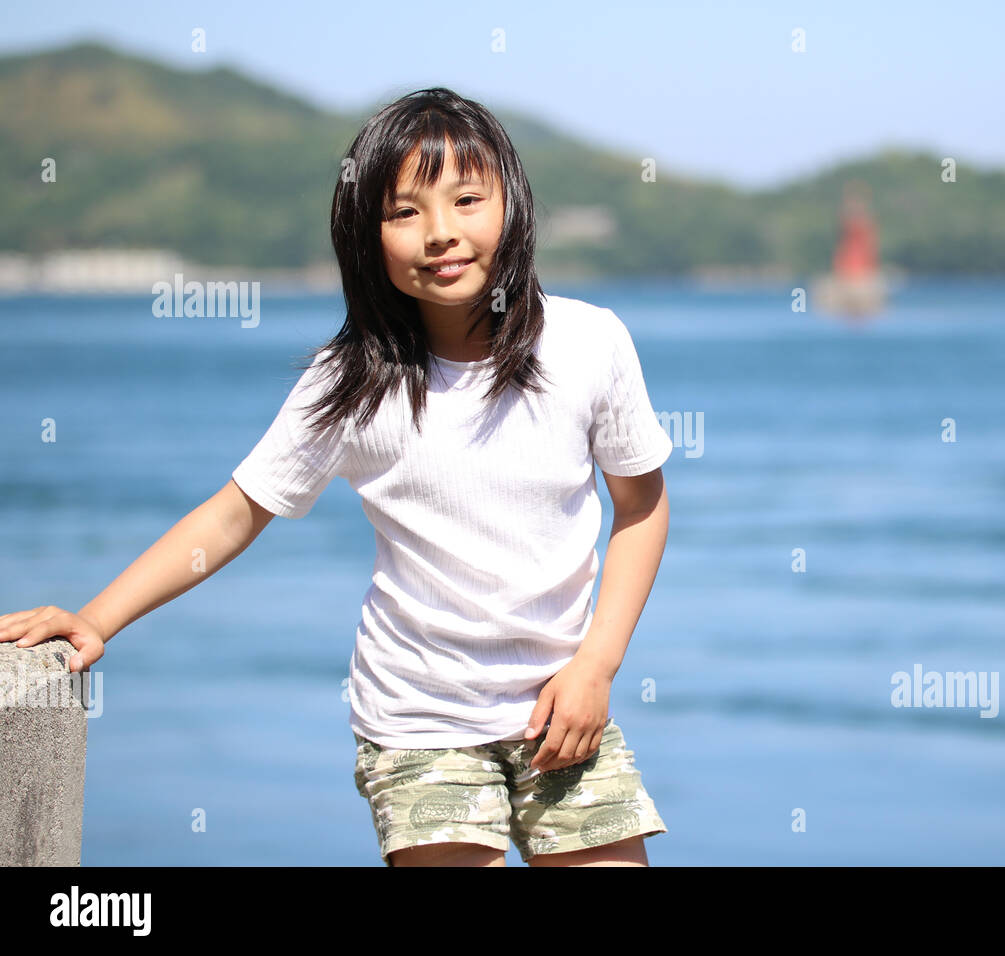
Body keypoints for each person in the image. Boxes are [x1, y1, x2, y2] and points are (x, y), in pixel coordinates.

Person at [0, 87, 673, 868]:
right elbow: (233, 516)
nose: (442, 234)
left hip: (565, 703)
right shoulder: (350, 381)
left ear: (512, 206)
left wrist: (597, 664)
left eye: (466, 199)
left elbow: (641, 506)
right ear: (366, 235)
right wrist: (96, 619)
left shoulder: (588, 343)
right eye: (404, 212)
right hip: (417, 720)